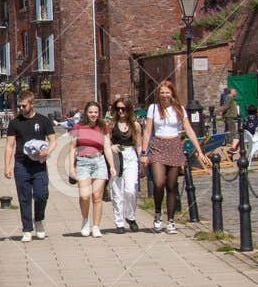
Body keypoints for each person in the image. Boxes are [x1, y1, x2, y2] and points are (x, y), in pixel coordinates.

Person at [141, 79, 211, 233]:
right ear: (158, 94)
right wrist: (144, 152)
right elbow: (147, 131)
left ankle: (171, 220)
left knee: (172, 185)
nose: (164, 95)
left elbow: (189, 130)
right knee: (159, 182)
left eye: (167, 92)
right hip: (158, 145)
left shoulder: (179, 109)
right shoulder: (153, 108)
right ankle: (158, 213)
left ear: (172, 93)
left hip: (174, 146)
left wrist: (199, 151)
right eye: (162, 92)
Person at [4, 90, 56, 243]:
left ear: (32, 104)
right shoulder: (15, 123)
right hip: (21, 164)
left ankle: (38, 219)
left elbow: (53, 140)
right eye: (19, 106)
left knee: (41, 195)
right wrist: (7, 166)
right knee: (24, 197)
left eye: (24, 106)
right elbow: (9, 145)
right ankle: (27, 229)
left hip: (39, 165)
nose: (21, 108)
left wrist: (47, 151)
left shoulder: (43, 121)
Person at [70, 101, 112, 236]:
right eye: (90, 112)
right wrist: (71, 167)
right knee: (84, 196)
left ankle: (96, 226)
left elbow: (107, 147)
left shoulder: (103, 126)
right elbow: (72, 148)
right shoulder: (78, 126)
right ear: (86, 113)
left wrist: (112, 166)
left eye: (95, 112)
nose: (93, 114)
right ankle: (85, 220)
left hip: (99, 161)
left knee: (97, 196)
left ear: (99, 113)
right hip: (83, 162)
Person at [107, 97, 141, 232]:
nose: (120, 111)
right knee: (117, 191)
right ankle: (119, 222)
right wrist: (111, 146)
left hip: (131, 155)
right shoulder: (111, 124)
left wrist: (142, 159)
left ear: (129, 109)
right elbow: (106, 142)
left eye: (123, 108)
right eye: (118, 109)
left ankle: (130, 216)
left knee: (131, 190)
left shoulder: (135, 125)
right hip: (117, 157)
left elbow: (138, 144)